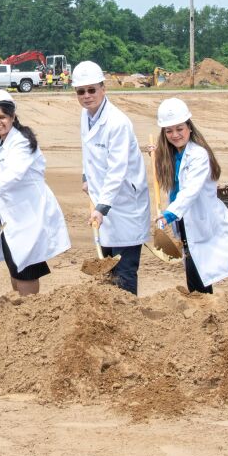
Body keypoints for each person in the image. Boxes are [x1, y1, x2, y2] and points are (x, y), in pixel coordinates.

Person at [0, 90, 69, 295]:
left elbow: (14, 173)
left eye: (2, 117)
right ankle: (21, 307)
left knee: (26, 271)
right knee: (15, 268)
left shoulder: (22, 141)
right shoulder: (1, 142)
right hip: (11, 219)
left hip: (29, 216)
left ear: (13, 116)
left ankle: (30, 309)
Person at [72, 60, 150, 294]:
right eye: (81, 91)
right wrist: (86, 177)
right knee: (107, 269)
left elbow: (118, 169)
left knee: (124, 272)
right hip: (103, 203)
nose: (87, 96)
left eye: (92, 90)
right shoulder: (85, 116)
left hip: (125, 205)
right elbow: (88, 151)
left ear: (103, 88)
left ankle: (130, 314)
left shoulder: (118, 123)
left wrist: (102, 207)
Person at [155, 97, 228, 294]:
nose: (175, 135)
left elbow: (190, 190)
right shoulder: (171, 155)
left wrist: (169, 214)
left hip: (199, 219)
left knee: (200, 272)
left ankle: (205, 306)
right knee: (192, 268)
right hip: (184, 220)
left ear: (189, 127)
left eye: (179, 129)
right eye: (169, 131)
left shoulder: (198, 155)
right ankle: (200, 304)